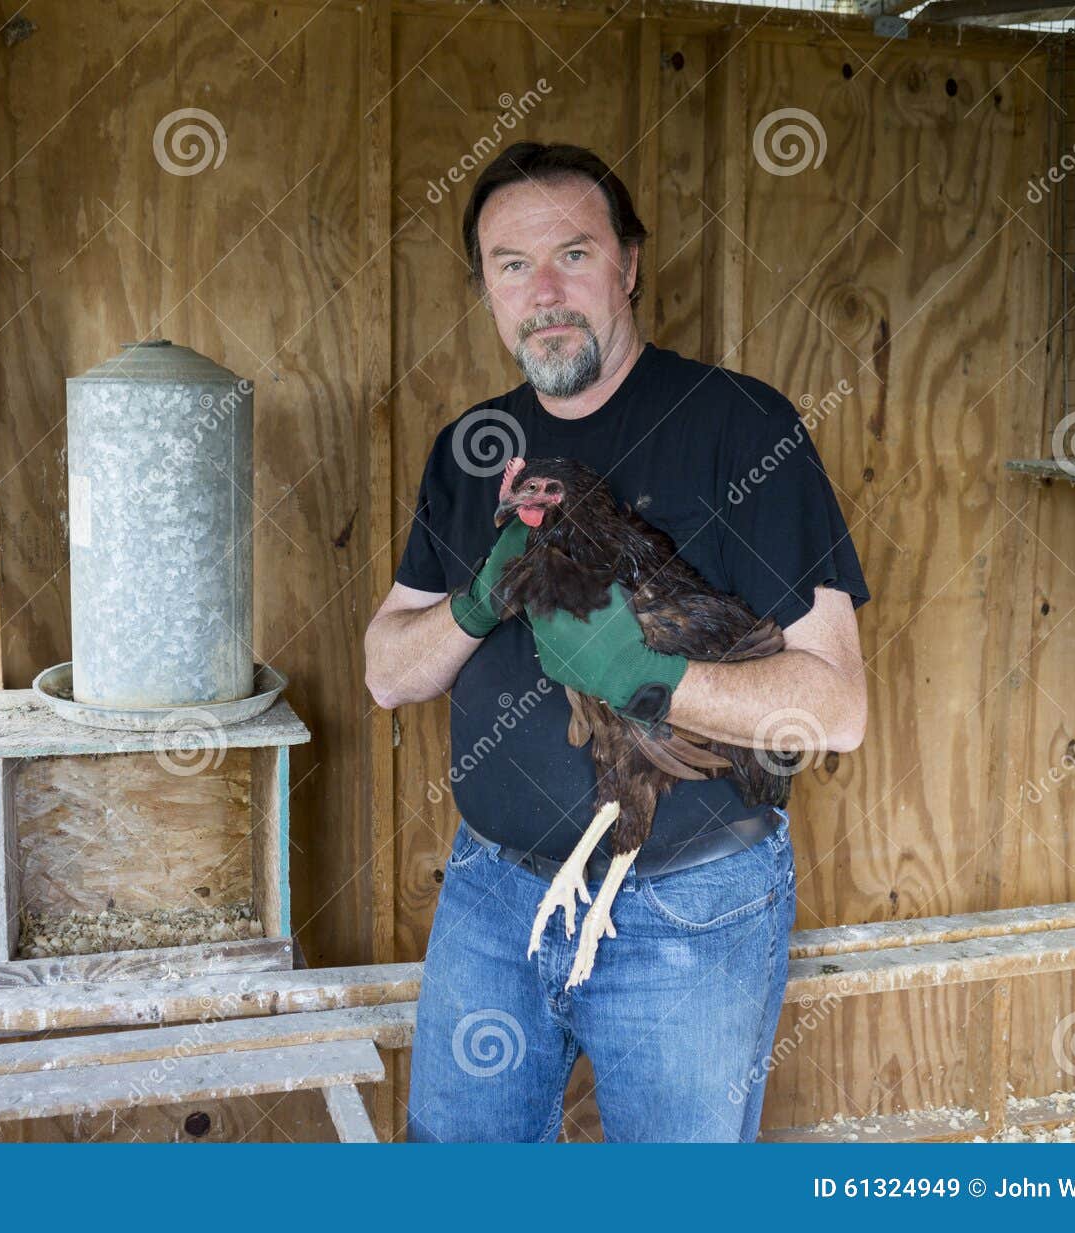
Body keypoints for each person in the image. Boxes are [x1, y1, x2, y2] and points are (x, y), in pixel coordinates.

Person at [364, 141, 871, 1142]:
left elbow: (836, 711)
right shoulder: (474, 454)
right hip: (492, 897)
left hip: (688, 907)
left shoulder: (739, 427)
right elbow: (385, 674)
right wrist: (473, 606)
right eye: (512, 266)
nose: (542, 290)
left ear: (629, 265)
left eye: (573, 255)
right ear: (487, 291)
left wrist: (646, 677)